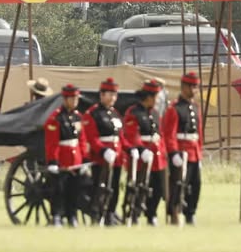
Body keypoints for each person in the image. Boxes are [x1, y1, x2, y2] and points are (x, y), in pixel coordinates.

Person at [44, 84, 98, 226]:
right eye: (72, 98)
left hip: (76, 159)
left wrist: (85, 158)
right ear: (65, 99)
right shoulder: (55, 118)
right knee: (59, 189)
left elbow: (82, 139)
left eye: (76, 98)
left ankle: (72, 216)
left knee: (74, 190)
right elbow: (52, 143)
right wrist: (53, 161)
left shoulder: (78, 117)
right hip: (62, 158)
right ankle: (56, 215)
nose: (75, 101)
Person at [118, 79, 168, 225]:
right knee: (138, 185)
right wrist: (141, 149)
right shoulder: (133, 112)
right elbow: (132, 134)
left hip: (157, 156)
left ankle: (151, 213)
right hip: (141, 157)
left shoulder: (155, 113)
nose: (157, 100)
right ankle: (134, 212)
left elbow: (160, 134)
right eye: (156, 97)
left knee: (157, 187)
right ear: (149, 97)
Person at [160, 71, 206, 225]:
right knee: (178, 185)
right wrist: (173, 153)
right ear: (183, 87)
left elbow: (198, 132)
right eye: (191, 86)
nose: (194, 90)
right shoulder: (174, 108)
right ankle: (175, 211)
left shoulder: (195, 107)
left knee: (196, 184)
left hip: (194, 152)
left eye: (196, 87)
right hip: (181, 152)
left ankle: (190, 213)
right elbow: (169, 134)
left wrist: (199, 153)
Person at [86, 78, 124, 224]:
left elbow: (120, 136)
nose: (113, 98)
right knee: (100, 186)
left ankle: (111, 212)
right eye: (110, 94)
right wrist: (103, 151)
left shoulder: (115, 113)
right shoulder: (93, 113)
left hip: (117, 156)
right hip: (101, 157)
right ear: (101, 95)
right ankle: (97, 213)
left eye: (115, 95)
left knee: (114, 186)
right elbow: (92, 137)